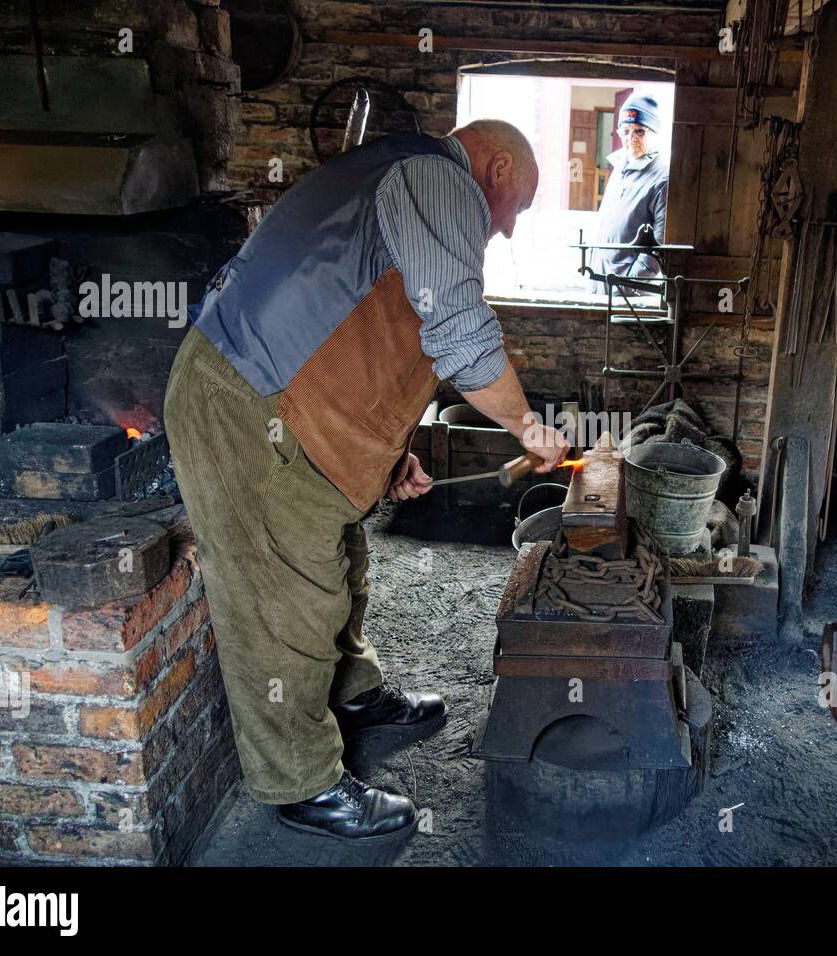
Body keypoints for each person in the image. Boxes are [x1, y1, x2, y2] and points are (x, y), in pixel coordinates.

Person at [163, 119, 571, 844]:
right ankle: (303, 785)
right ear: (497, 168)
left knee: (342, 560)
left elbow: (388, 334)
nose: (507, 230)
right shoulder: (439, 179)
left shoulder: (411, 188)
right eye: (518, 208)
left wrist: (392, 454)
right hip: (246, 404)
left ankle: (354, 695)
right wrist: (529, 428)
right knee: (284, 597)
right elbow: (457, 331)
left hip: (296, 412)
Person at [590, 91, 670, 287]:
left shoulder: (663, 178)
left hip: (627, 294)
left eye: (639, 131)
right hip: (600, 282)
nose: (631, 138)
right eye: (625, 131)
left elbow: (659, 247)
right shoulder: (619, 167)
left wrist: (631, 285)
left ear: (654, 132)